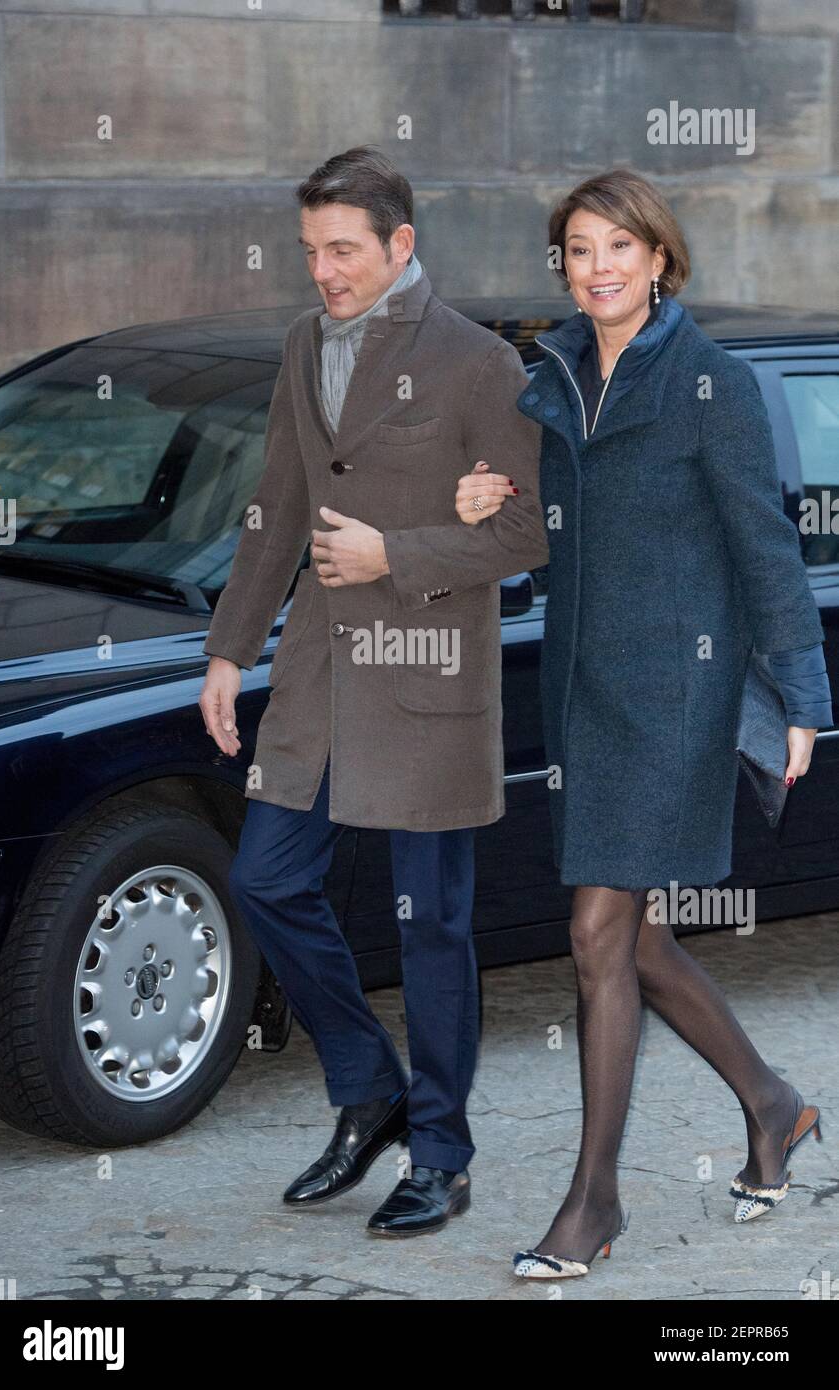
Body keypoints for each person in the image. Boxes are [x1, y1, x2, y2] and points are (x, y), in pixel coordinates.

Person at [454, 167, 832, 1279]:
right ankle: (772, 1105)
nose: (599, 267)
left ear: (659, 258)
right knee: (634, 940)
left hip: (676, 695)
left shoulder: (713, 384)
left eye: (619, 246)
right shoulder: (557, 375)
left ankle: (593, 1201)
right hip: (581, 690)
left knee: (592, 935)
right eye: (579, 249)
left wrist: (801, 697)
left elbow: (766, 547)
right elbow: (556, 530)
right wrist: (485, 502)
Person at [198, 145, 548, 1237]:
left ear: (401, 245)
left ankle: (440, 1154)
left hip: (431, 677)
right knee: (265, 878)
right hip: (316, 675)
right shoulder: (303, 345)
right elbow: (277, 503)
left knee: (433, 925)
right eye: (311, 251)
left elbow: (526, 532)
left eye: (342, 250)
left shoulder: (479, 364)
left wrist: (394, 553)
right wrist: (228, 649)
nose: (323, 271)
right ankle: (366, 1087)